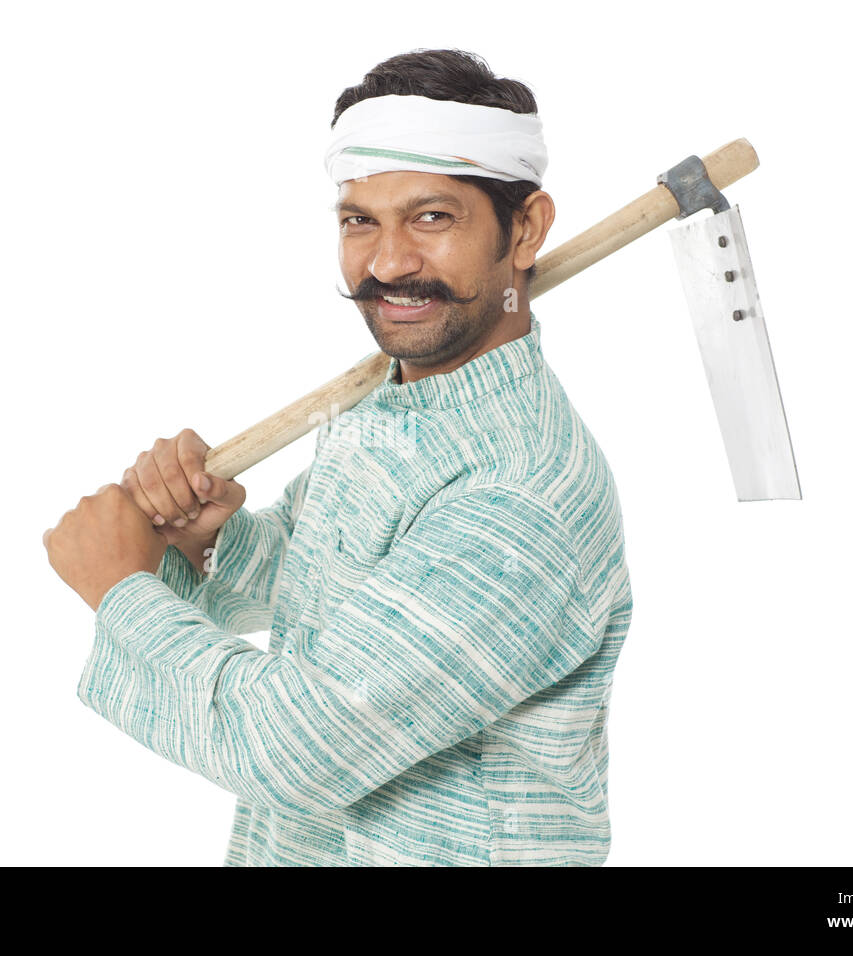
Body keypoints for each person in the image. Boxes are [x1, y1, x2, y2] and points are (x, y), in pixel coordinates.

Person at [43, 48, 634, 866]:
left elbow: (291, 746)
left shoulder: (520, 498)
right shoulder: (392, 401)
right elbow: (329, 593)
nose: (387, 263)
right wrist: (210, 540)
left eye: (432, 217)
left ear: (525, 228)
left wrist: (120, 590)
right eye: (360, 221)